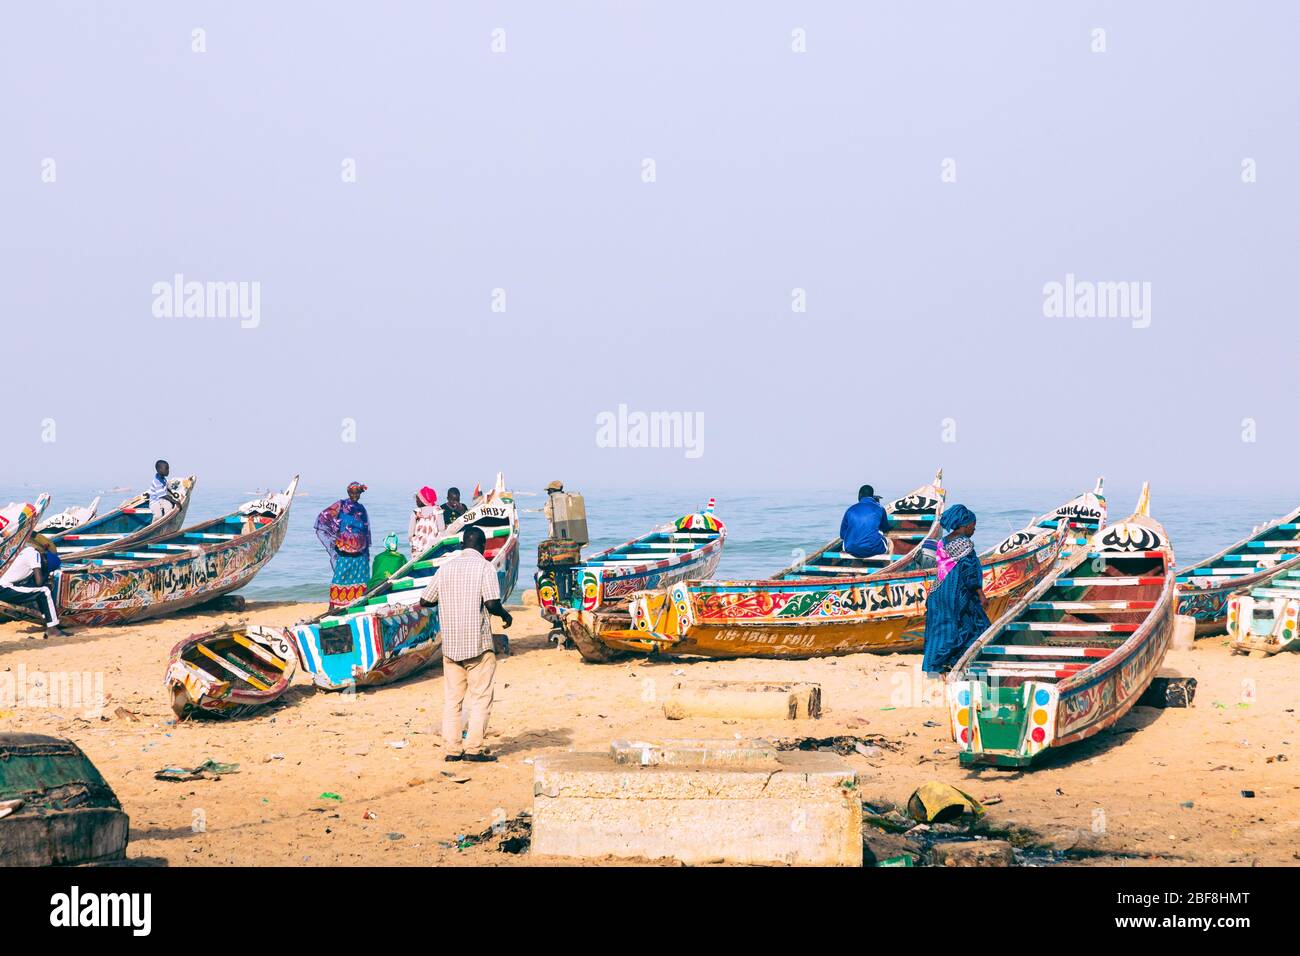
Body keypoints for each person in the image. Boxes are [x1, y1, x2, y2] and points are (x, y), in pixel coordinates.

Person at [419, 526, 512, 763]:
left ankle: (452, 750)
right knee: (481, 697)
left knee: (453, 700)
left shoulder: (445, 568)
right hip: (477, 645)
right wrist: (505, 615)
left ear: (462, 545)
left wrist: (449, 601)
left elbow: (425, 600)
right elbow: (491, 604)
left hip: (451, 646)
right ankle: (473, 749)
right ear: (482, 547)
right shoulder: (485, 567)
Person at [921, 504, 989, 675]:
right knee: (974, 626)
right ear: (965, 525)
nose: (975, 528)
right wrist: (980, 594)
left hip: (938, 591)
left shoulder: (943, 542)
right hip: (955, 593)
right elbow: (970, 573)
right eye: (973, 525)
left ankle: (933, 668)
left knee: (939, 631)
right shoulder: (965, 544)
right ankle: (956, 663)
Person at [315, 482, 372, 609]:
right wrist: (334, 533)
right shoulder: (340, 505)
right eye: (352, 493)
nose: (355, 495)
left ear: (360, 494)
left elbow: (365, 529)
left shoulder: (362, 509)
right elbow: (324, 517)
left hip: (360, 550)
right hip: (343, 548)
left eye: (357, 493)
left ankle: (358, 603)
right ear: (348, 493)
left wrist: (366, 550)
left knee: (361, 577)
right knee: (340, 576)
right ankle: (332, 606)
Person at [0, 535, 69, 638]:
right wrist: (44, 574)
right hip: (3, 588)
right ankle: (52, 630)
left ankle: (49, 623)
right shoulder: (34, 554)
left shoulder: (26, 550)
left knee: (40, 592)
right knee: (44, 591)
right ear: (44, 561)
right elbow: (39, 582)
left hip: (4, 586)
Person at [839, 484, 891, 558]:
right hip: (873, 549)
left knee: (854, 543)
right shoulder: (880, 508)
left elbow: (842, 535)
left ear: (860, 495)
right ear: (872, 496)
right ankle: (886, 565)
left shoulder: (850, 510)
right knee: (890, 543)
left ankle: (857, 565)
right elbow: (885, 529)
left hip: (850, 549)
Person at [408, 486, 444, 558]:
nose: (416, 501)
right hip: (433, 547)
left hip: (418, 549)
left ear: (423, 500)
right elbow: (442, 529)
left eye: (418, 499)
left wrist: (412, 541)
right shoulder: (437, 510)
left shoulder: (416, 512)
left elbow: (410, 534)